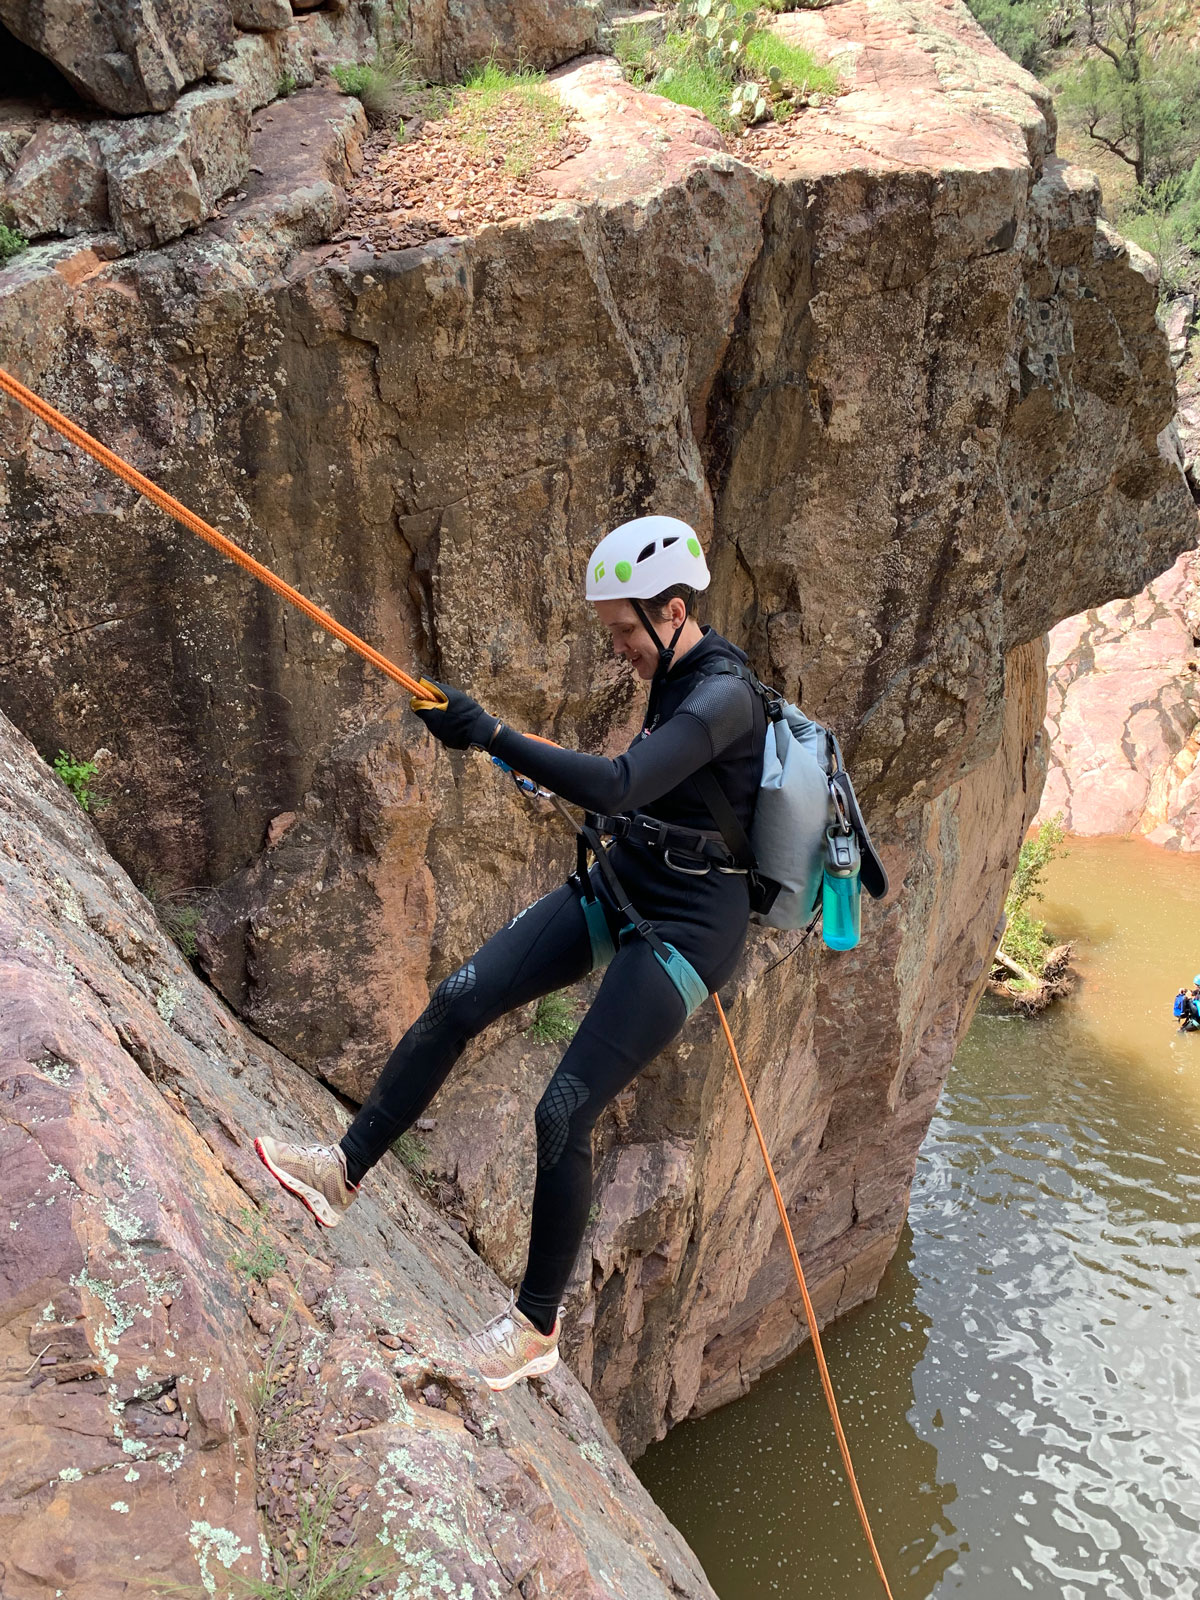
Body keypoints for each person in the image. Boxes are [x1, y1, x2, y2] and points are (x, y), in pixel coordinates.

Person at [255, 515, 768, 1390]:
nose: (618, 652)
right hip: (631, 877)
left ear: (673, 611)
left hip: (691, 928)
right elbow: (649, 797)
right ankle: (340, 1173)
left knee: (563, 1109)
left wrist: (490, 733)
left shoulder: (724, 696)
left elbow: (622, 781)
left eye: (623, 634)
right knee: (461, 997)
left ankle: (536, 1329)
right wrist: (538, 768)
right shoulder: (674, 673)